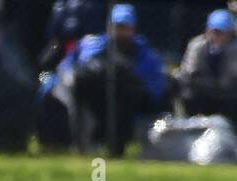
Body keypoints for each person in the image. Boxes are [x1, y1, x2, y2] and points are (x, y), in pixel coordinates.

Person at [59, 3, 168, 156]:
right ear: (109, 27)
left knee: (123, 89)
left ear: (133, 29)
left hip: (131, 104)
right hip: (96, 101)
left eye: (125, 28)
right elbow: (74, 70)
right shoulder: (93, 46)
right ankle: (83, 144)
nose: (121, 32)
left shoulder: (146, 54)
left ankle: (117, 147)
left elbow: (155, 88)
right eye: (117, 27)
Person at [177, 9, 237, 127]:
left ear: (230, 32)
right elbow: (189, 72)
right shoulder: (197, 45)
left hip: (230, 97)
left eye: (221, 32)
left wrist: (226, 53)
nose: (216, 35)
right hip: (202, 94)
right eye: (214, 31)